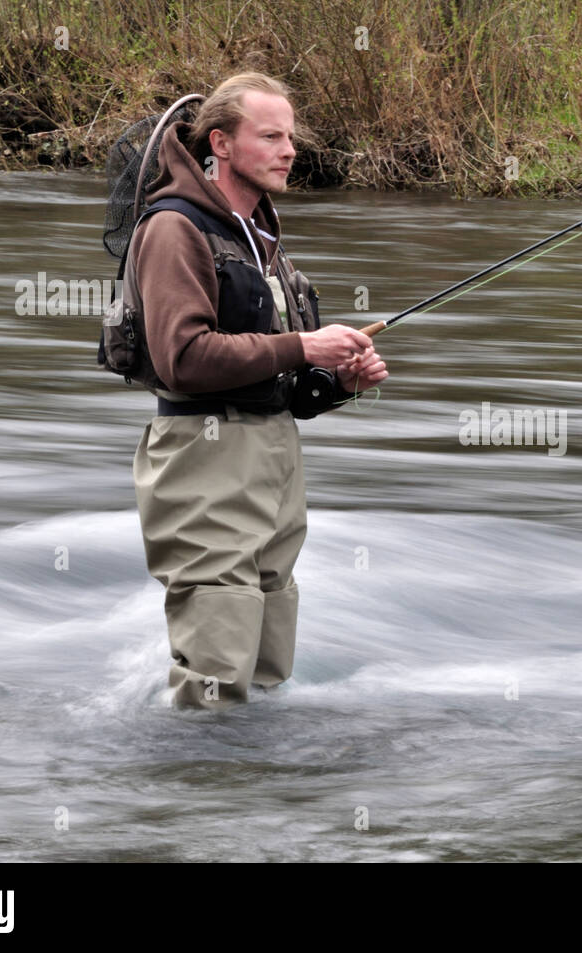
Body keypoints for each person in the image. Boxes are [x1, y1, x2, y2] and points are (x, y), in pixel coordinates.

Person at [128, 73, 388, 710]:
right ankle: (193, 787)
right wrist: (305, 346)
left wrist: (339, 381)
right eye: (270, 135)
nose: (289, 149)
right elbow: (183, 359)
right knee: (216, 658)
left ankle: (260, 790)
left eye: (291, 136)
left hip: (273, 455)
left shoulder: (262, 239)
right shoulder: (174, 230)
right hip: (202, 455)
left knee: (270, 648)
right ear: (220, 142)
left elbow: (285, 382)